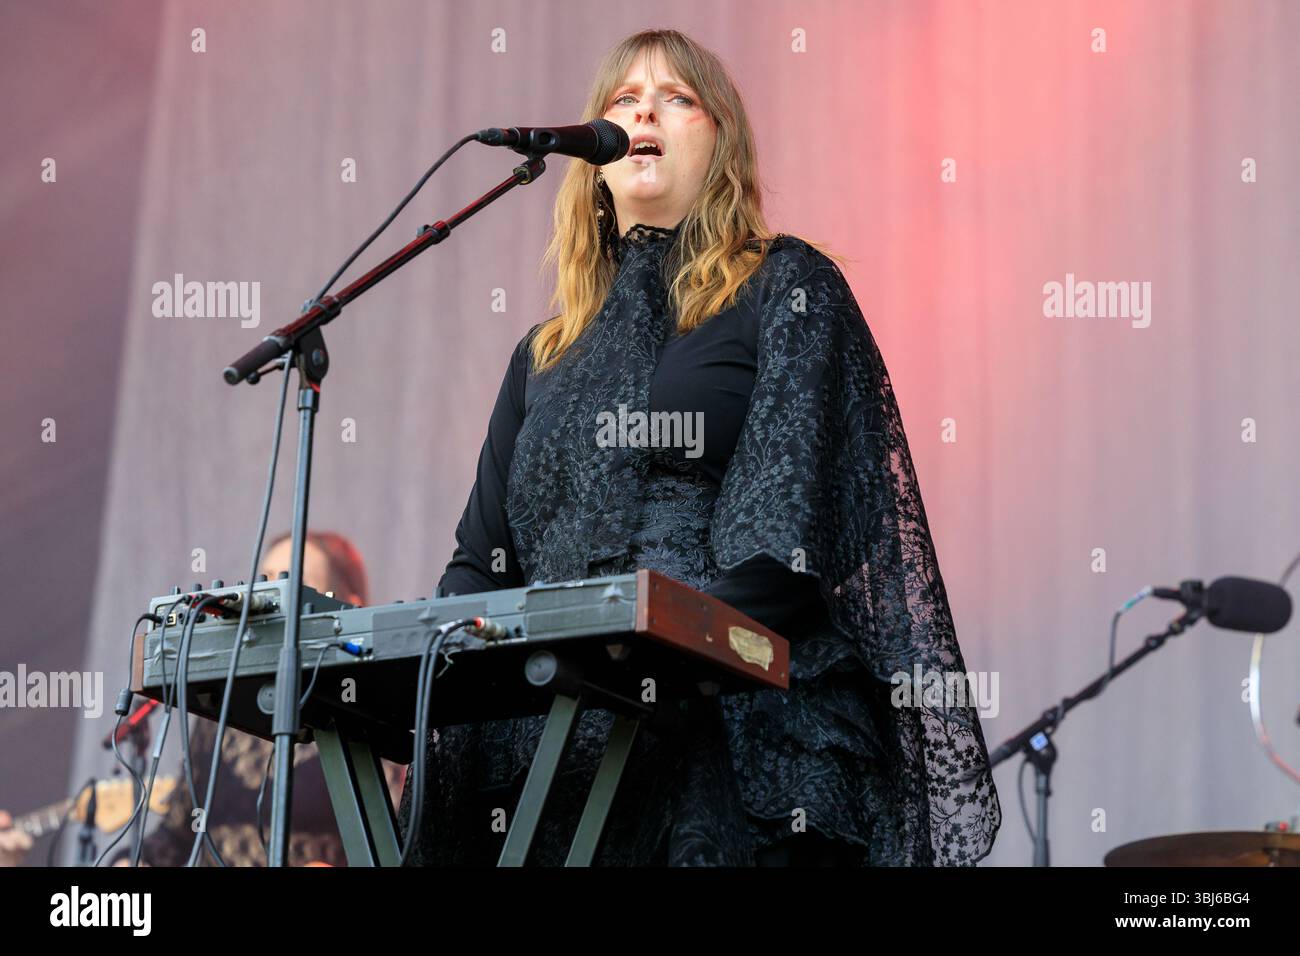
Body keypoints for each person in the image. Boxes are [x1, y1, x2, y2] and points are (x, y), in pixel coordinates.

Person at [398, 29, 1001, 866]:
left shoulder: (786, 288)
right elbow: (481, 562)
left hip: (720, 725)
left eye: (677, 97)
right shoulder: (542, 357)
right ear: (593, 156)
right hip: (543, 745)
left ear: (722, 143)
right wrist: (430, 667)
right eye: (622, 99)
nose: (644, 108)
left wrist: (652, 647)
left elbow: (789, 536)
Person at [116, 530, 399, 866]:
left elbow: (402, 842)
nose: (272, 598)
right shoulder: (219, 711)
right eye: (265, 583)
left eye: (293, 582)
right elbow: (177, 836)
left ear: (350, 606)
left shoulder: (369, 711)